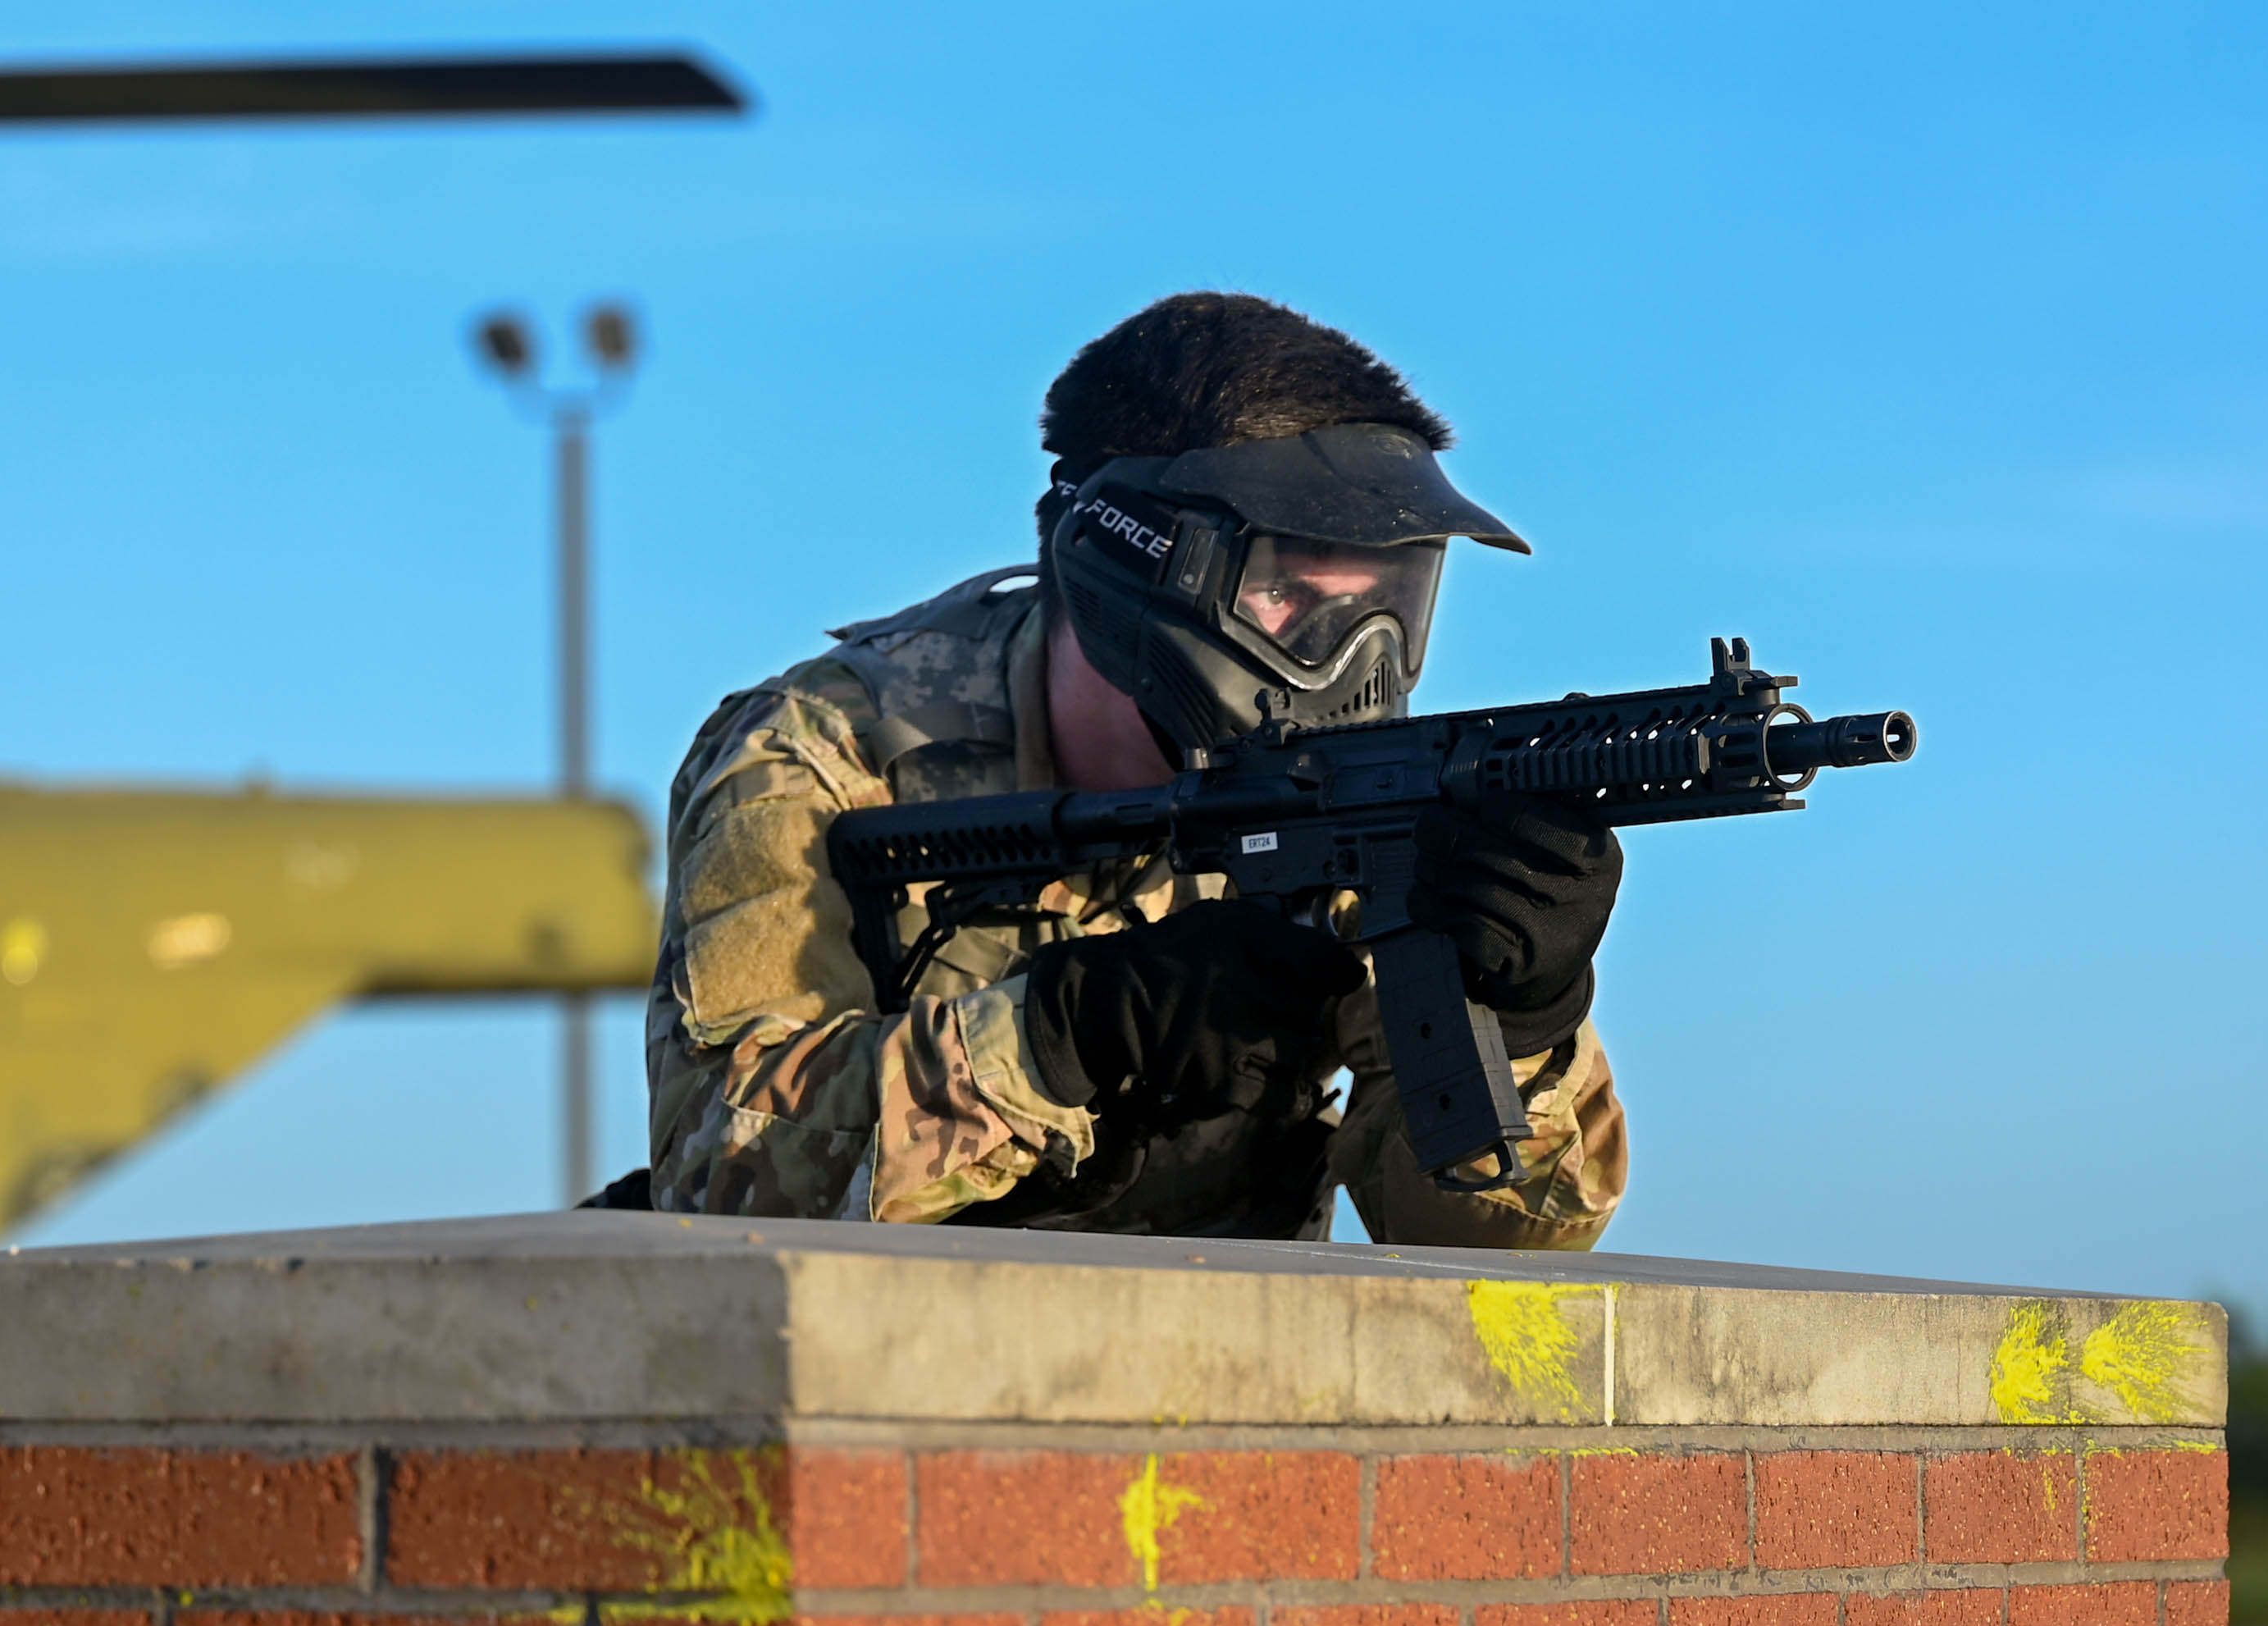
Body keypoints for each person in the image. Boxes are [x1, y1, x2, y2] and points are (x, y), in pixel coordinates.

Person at [621, 292, 1628, 1244]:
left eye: (1386, 607)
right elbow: (719, 1181)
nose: (1352, 657)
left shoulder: (1349, 810)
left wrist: (1529, 1019)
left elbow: (1504, 1241)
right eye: (1292, 599)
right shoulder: (827, 751)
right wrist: (1064, 1034)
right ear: (1129, 569)